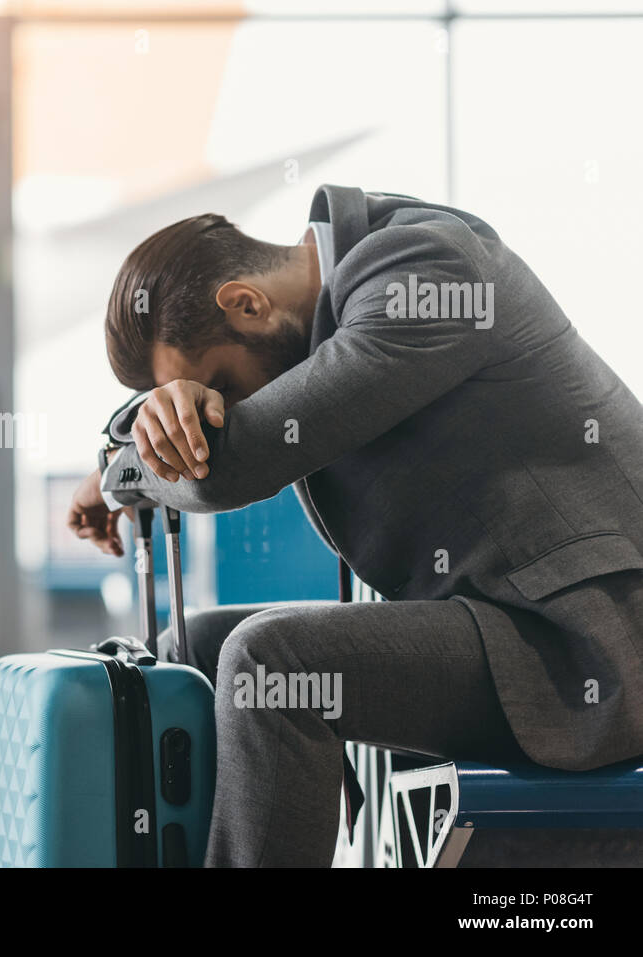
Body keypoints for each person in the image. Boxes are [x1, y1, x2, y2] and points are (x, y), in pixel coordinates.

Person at [65, 184, 643, 866]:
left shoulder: (423, 270)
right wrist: (130, 444)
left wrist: (122, 465)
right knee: (195, 648)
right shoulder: (338, 305)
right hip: (505, 618)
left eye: (217, 387)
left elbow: (231, 465)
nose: (219, 411)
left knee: (269, 661)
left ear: (247, 304)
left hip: (593, 638)